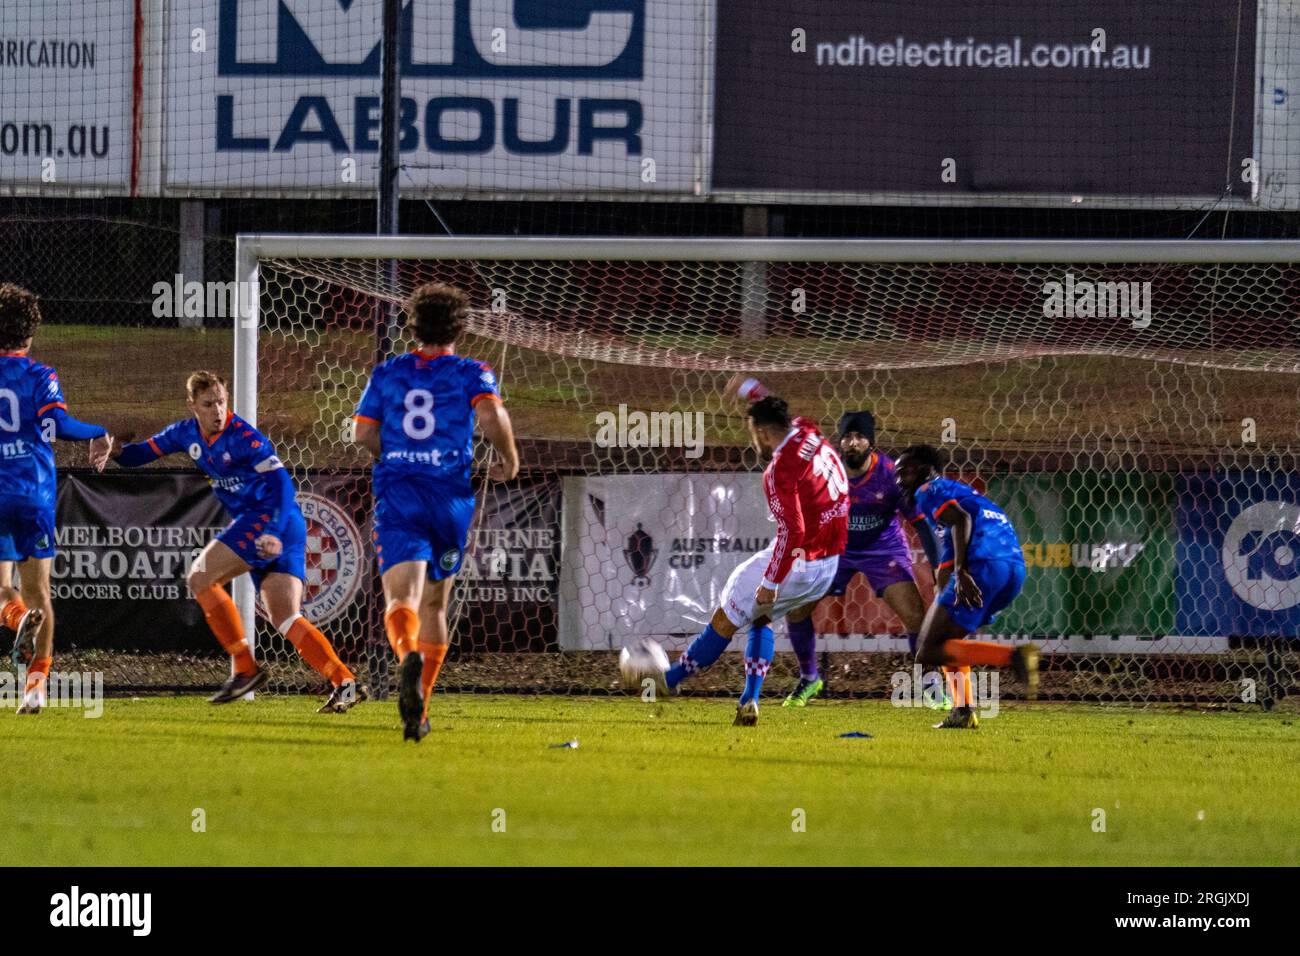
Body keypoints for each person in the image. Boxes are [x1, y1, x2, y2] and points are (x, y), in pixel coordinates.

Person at [111, 372, 364, 711]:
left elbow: (283, 485)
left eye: (221, 401)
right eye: (208, 404)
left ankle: (245, 668)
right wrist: (114, 450)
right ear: (192, 406)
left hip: (271, 520)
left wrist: (272, 532)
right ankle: (344, 682)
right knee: (286, 617)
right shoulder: (184, 434)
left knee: (200, 577)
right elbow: (138, 455)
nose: (217, 410)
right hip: (279, 525)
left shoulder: (244, 436)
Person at [625, 377, 848, 726]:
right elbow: (775, 404)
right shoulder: (808, 430)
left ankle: (668, 682)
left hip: (800, 560)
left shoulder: (779, 470)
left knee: (728, 610)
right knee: (760, 615)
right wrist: (749, 388)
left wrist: (772, 582)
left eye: (751, 432)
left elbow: (794, 529)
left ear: (761, 432)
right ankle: (750, 700)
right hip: (828, 563)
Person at [353, 282, 519, 743]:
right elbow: (491, 417)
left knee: (400, 601)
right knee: (435, 603)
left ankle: (406, 654)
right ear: (459, 327)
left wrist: (401, 453)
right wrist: (509, 458)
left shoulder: (387, 372)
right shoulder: (472, 372)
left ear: (413, 325)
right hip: (450, 500)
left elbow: (362, 435)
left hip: (400, 496)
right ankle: (420, 708)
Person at [0, 283, 113, 713]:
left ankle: (15, 620)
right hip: (33, 495)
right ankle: (36, 687)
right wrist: (98, 433)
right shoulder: (40, 375)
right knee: (38, 591)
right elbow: (60, 425)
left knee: (0, 589)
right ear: (30, 334)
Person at [896, 444, 1039, 727]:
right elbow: (961, 530)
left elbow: (960, 520)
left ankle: (1014, 657)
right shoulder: (965, 494)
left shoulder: (929, 491)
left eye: (905, 473)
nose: (899, 481)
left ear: (925, 471)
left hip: (981, 567)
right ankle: (962, 711)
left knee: (926, 651)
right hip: (1011, 570)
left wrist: (961, 571)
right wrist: (946, 579)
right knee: (948, 642)